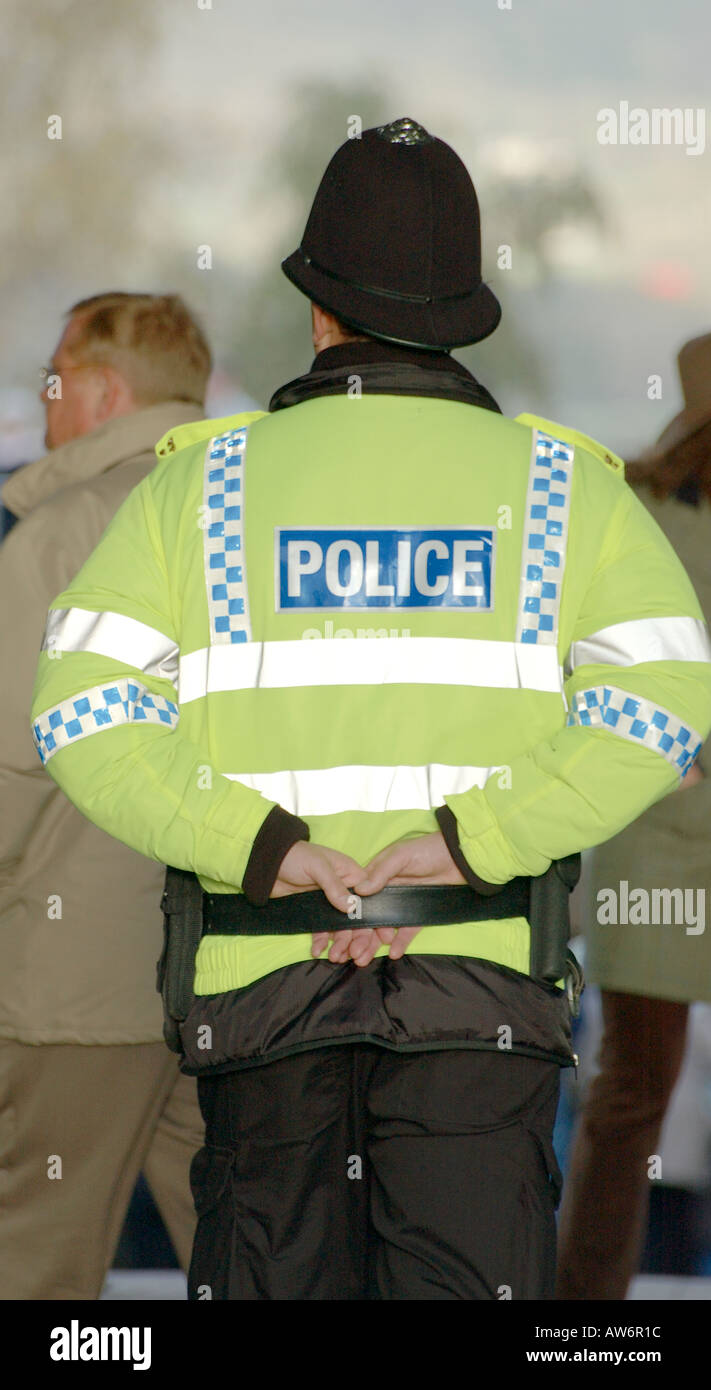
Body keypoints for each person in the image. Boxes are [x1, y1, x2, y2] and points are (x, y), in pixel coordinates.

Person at [30, 122, 711, 1301]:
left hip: (259, 997)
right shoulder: (564, 490)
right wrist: (470, 842)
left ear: (318, 313)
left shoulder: (201, 485)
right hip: (482, 1001)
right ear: (464, 313)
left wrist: (263, 847)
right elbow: (665, 705)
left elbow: (80, 712)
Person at [0, 292, 210, 1299]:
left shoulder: (65, 526)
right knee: (253, 1251)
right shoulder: (254, 516)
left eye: (52, 379)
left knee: (38, 1256)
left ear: (101, 391)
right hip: (247, 964)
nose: (43, 404)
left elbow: (11, 759)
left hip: (82, 970)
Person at [556, 333, 711, 1300]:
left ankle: (582, 1313)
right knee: (630, 1098)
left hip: (645, 843)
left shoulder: (635, 516)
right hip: (654, 843)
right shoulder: (640, 519)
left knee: (628, 1098)